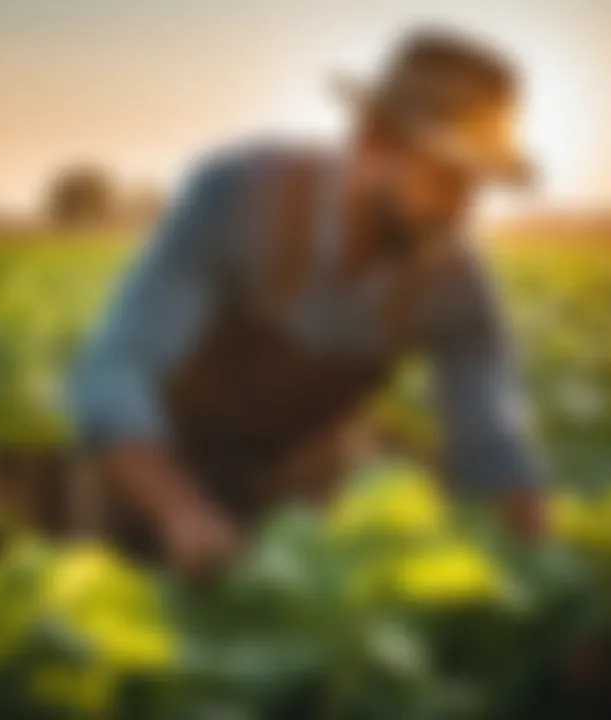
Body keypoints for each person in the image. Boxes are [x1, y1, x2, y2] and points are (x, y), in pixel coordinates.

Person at [71, 29, 546, 583]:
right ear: (372, 143)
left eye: (476, 185)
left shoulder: (453, 280)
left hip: (293, 497)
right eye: (445, 176)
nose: (461, 208)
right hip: (158, 472)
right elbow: (114, 371)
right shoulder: (240, 196)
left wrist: (543, 577)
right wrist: (182, 514)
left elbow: (491, 443)